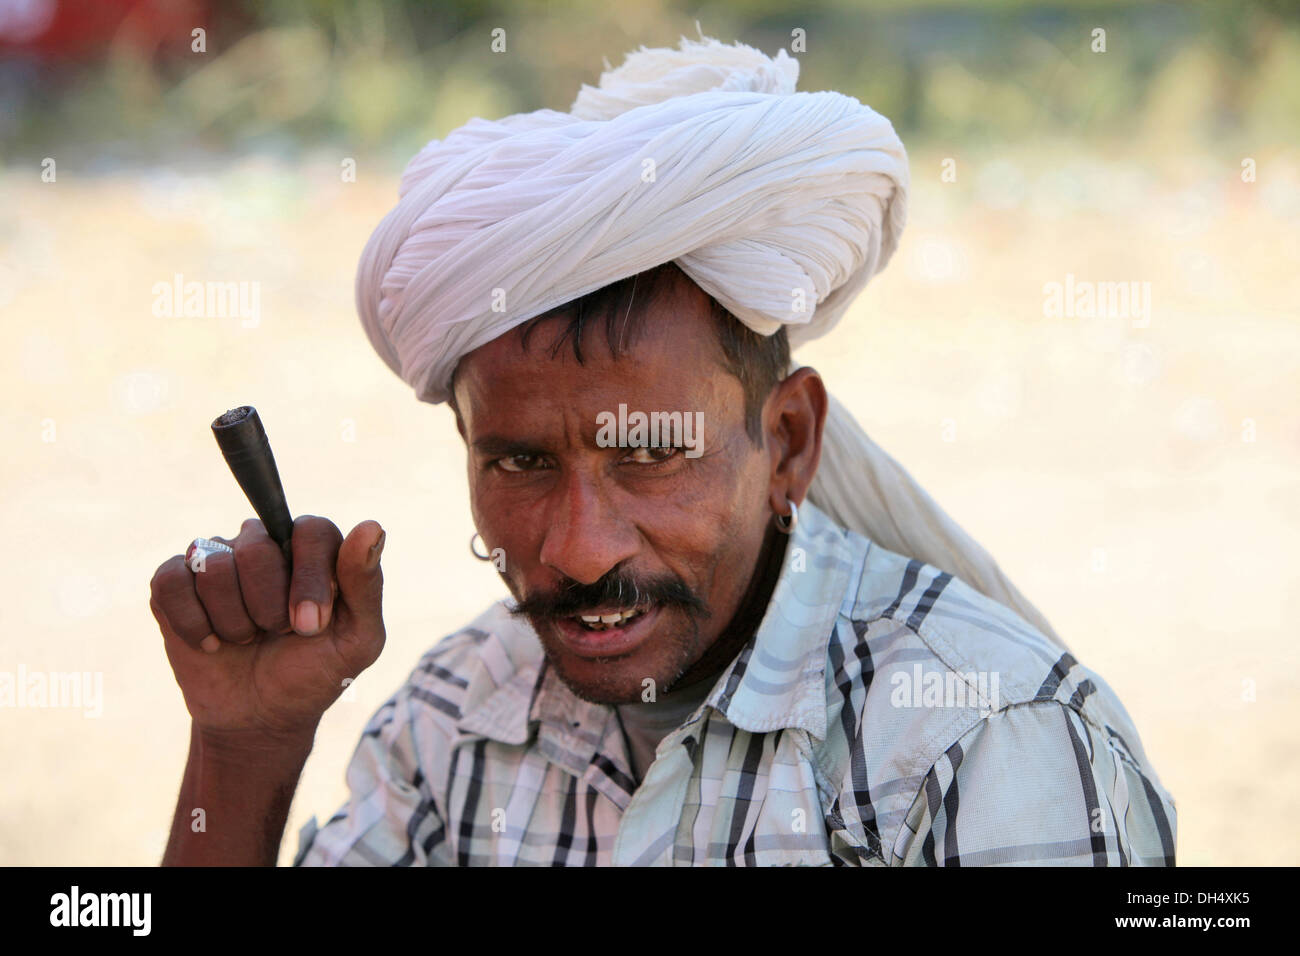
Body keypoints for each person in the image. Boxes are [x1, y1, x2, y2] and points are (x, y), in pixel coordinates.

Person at [152, 36, 1176, 866]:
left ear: (786, 444)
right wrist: (245, 745)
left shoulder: (984, 744)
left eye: (648, 455)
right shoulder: (454, 719)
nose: (581, 548)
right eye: (519, 463)